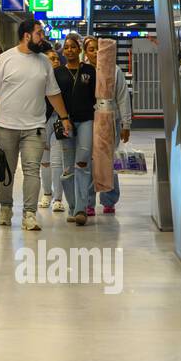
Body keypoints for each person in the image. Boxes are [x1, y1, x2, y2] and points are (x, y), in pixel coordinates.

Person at [0, 19, 71, 230]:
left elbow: (53, 94)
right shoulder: (4, 60)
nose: (43, 37)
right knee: (7, 171)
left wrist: (64, 117)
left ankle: (29, 214)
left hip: (35, 127)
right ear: (26, 35)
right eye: (39, 33)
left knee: (32, 169)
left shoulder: (44, 62)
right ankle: (6, 207)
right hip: (5, 126)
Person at [84, 36, 132, 215]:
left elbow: (122, 97)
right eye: (90, 49)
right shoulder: (83, 71)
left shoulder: (115, 71)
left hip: (111, 121)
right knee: (89, 161)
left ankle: (109, 199)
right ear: (86, 52)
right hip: (88, 121)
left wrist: (126, 123)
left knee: (109, 161)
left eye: (98, 48)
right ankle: (88, 201)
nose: (95, 52)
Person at [55, 33, 97, 225]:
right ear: (63, 50)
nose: (70, 50)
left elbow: (96, 97)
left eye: (73, 47)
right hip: (66, 123)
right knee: (68, 168)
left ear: (79, 50)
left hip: (86, 120)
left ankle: (81, 209)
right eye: (67, 47)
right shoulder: (58, 73)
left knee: (82, 163)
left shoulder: (90, 70)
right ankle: (72, 207)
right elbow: (52, 99)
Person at [39, 47, 65, 212]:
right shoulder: (38, 78)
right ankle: (46, 193)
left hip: (59, 122)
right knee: (44, 161)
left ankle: (58, 198)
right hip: (41, 122)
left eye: (56, 58)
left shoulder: (64, 78)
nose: (55, 61)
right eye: (51, 59)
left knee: (57, 161)